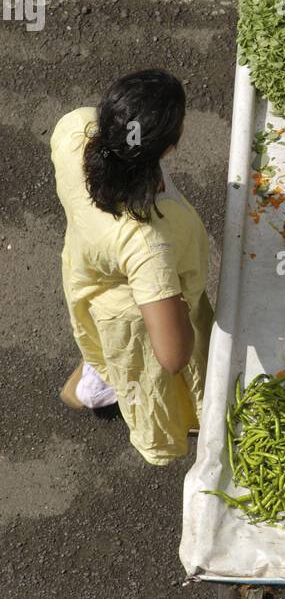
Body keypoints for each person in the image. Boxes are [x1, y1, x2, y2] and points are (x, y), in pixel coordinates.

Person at [50, 70, 213, 466]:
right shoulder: (145, 242)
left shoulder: (76, 130)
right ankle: (94, 391)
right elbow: (172, 355)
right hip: (134, 312)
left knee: (103, 347)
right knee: (143, 372)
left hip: (89, 274)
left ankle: (97, 375)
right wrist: (171, 303)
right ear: (169, 147)